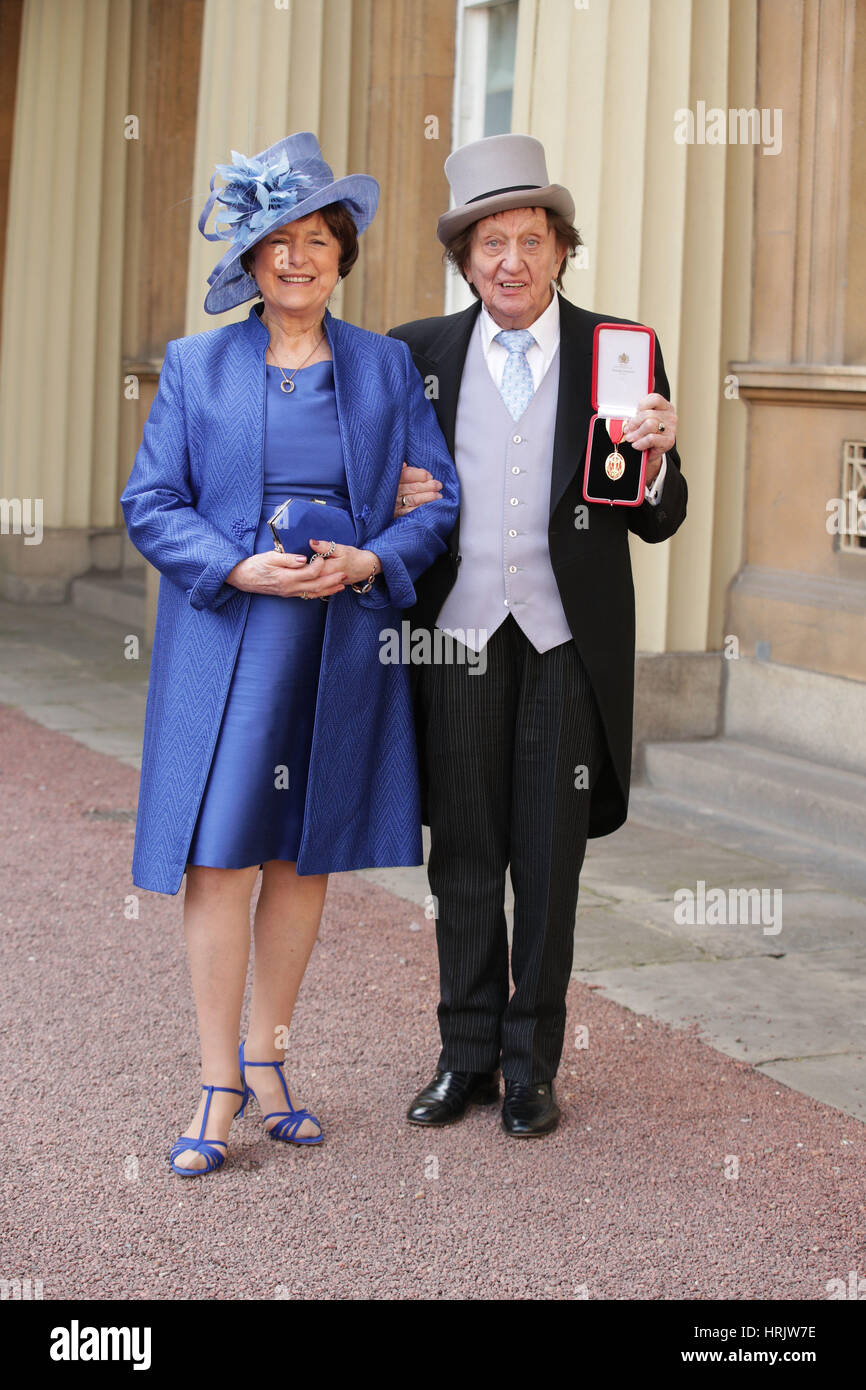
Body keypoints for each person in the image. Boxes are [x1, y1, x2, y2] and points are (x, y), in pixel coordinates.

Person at [121, 132, 458, 1175]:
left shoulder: (384, 367)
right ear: (252, 262)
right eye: (279, 242)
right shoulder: (194, 365)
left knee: (301, 856)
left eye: (318, 240)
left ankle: (269, 1061)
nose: (299, 258)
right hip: (232, 641)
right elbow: (150, 502)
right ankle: (216, 1079)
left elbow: (436, 500)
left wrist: (371, 557)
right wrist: (235, 565)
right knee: (219, 856)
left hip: (341, 646)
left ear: (341, 255)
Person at [389, 134, 687, 1137]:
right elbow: (373, 489)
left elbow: (655, 514)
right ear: (464, 258)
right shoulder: (415, 355)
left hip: (564, 645)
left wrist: (654, 458)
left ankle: (530, 1067)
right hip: (457, 637)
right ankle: (462, 1054)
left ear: (560, 248)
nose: (508, 260)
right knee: (462, 854)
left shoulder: (621, 351)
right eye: (488, 243)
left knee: (546, 861)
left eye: (528, 238)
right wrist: (387, 494)